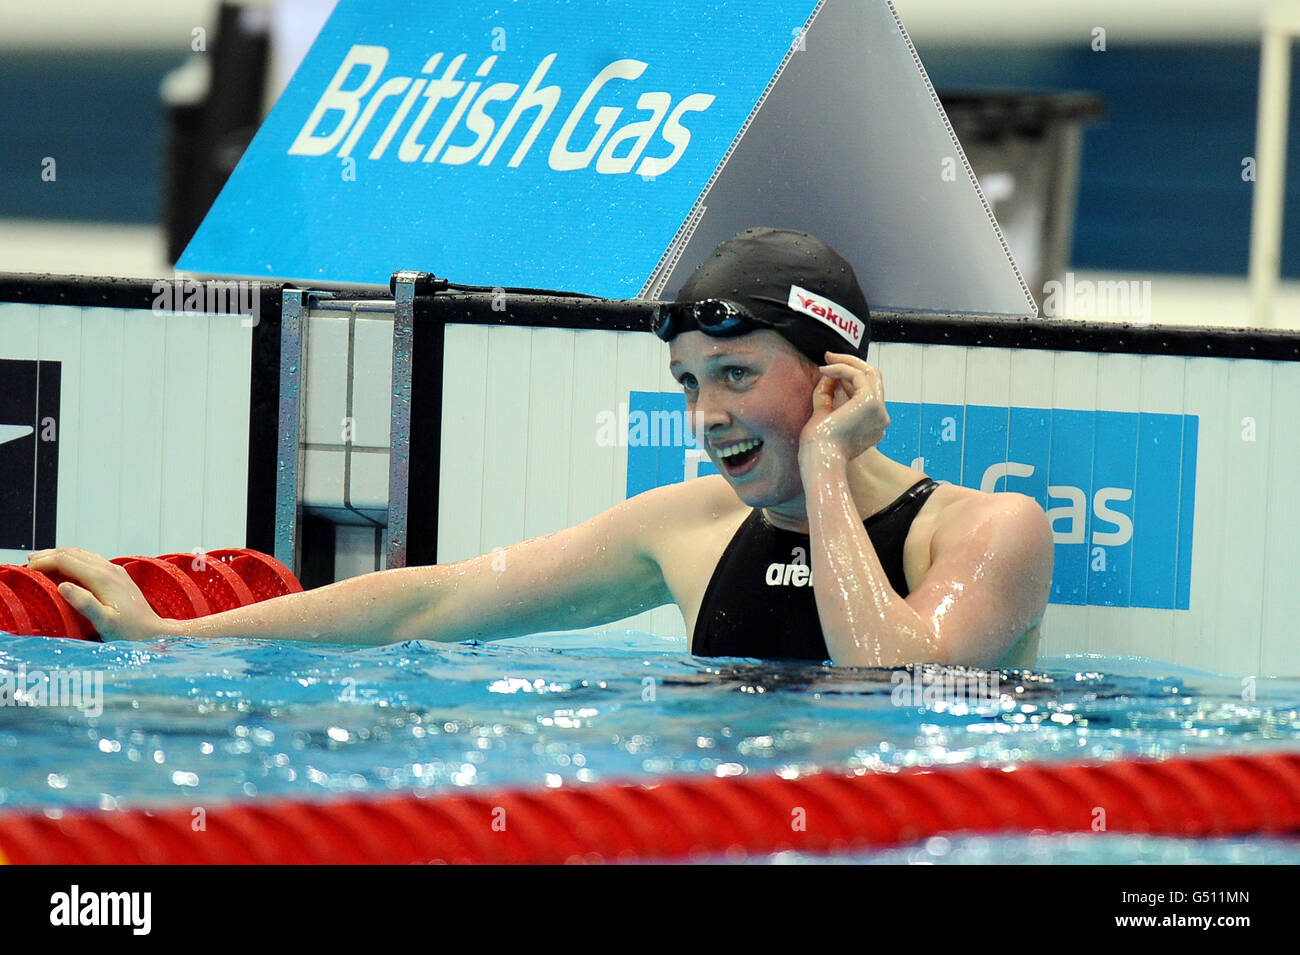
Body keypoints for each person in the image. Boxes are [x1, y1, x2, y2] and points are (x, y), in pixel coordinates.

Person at [26, 228, 1053, 668]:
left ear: (836, 379)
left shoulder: (987, 531)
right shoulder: (689, 528)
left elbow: (887, 680)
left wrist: (825, 466)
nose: (706, 414)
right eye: (689, 384)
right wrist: (175, 637)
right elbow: (438, 601)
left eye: (737, 377)